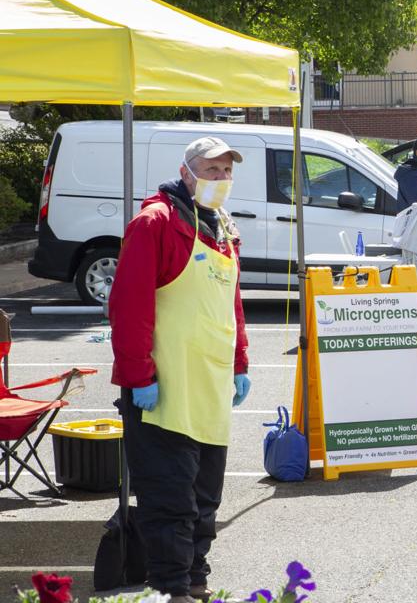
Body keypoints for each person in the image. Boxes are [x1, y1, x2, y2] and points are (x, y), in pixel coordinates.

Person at [109, 136, 251, 603]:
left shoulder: (221, 227)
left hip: (209, 388)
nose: (221, 180)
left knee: (205, 498)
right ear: (186, 172)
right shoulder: (155, 222)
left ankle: (195, 579)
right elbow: (128, 306)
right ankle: (173, 589)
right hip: (163, 390)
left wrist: (239, 363)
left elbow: (231, 304)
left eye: (227, 172)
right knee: (171, 499)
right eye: (212, 171)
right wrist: (138, 377)